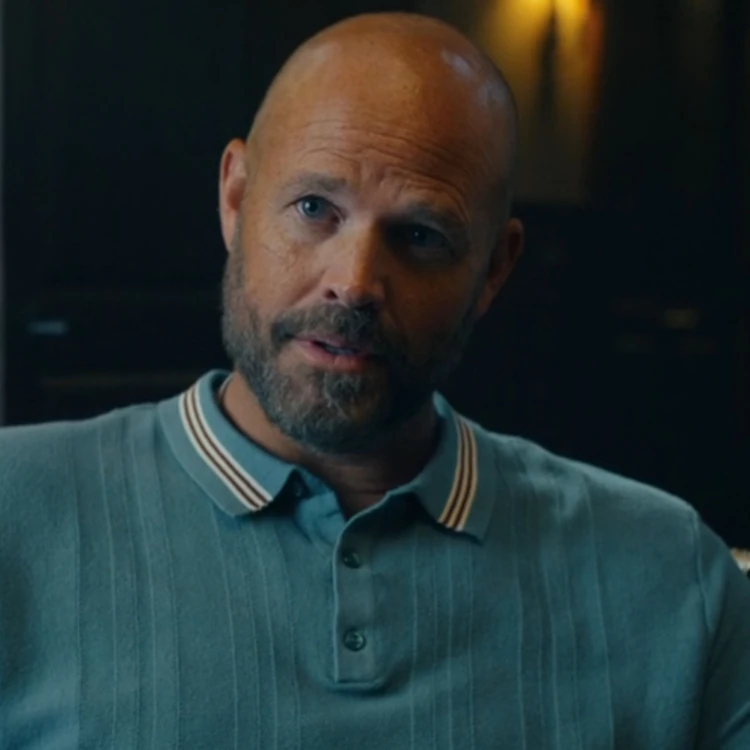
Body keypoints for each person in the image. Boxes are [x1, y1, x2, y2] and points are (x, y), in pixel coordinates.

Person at [0, 11, 748, 750]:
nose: (354, 283)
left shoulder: (673, 576)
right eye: (313, 208)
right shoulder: (16, 511)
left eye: (420, 235)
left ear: (494, 269)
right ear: (235, 198)